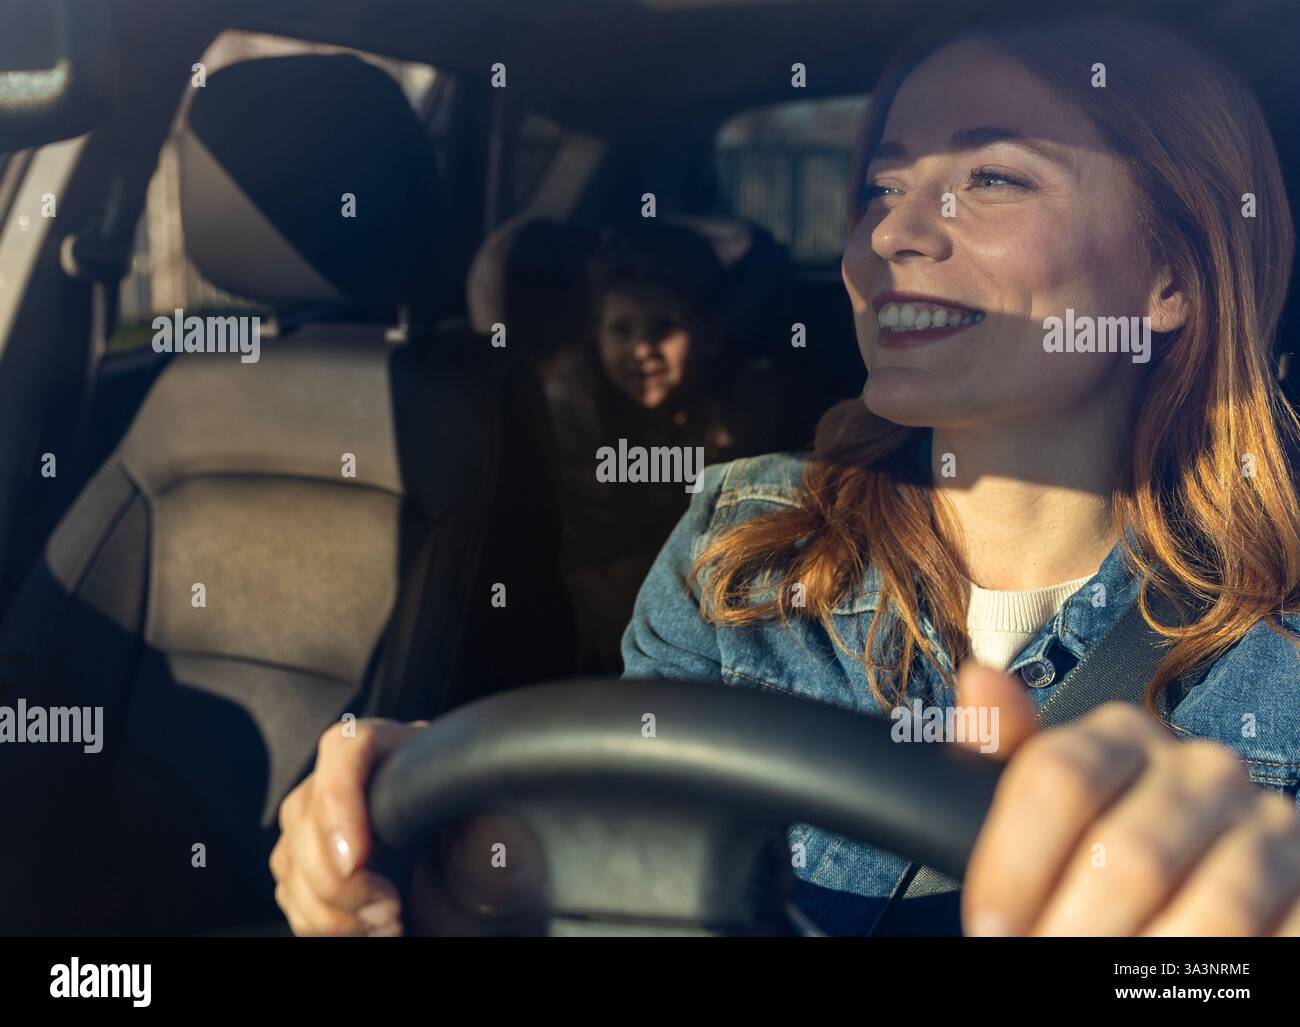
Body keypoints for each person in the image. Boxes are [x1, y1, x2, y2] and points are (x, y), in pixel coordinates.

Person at [270, 15, 1300, 936]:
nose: (887, 233)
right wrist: (449, 871)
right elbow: (627, 875)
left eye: (991, 177)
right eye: (882, 188)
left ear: (1172, 275)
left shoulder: (1276, 647)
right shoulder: (742, 544)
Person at [543, 220, 782, 673]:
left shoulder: (742, 413)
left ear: (710, 335)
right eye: (621, 330)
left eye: (664, 327)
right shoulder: (576, 409)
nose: (642, 350)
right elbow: (592, 578)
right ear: (596, 337)